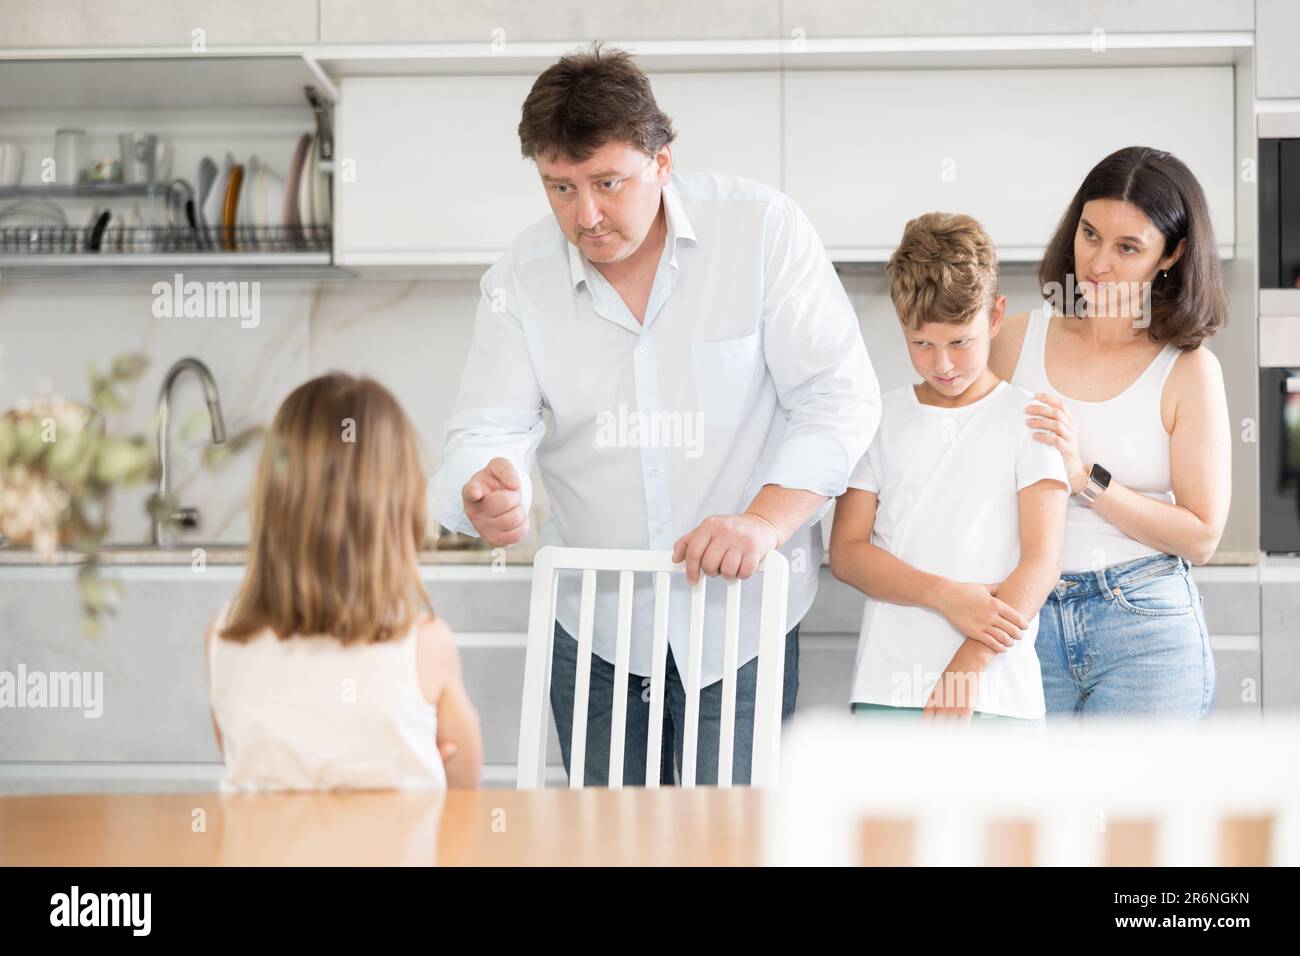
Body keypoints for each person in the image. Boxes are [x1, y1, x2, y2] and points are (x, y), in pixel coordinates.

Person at [434, 44, 880, 784]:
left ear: (661, 161)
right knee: (606, 849)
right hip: (595, 631)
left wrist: (765, 521)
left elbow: (839, 398)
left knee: (734, 848)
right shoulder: (520, 278)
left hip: (741, 624)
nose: (587, 215)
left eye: (608, 182)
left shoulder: (762, 231)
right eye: (559, 188)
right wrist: (483, 485)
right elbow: (485, 431)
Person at [990, 146, 1230, 719]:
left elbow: (1200, 536)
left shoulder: (1188, 371)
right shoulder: (1011, 340)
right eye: (1090, 234)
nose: (1097, 264)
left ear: (1171, 255)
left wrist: (1083, 479)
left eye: (1128, 248)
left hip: (1145, 627)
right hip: (1021, 618)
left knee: (1130, 810)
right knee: (1024, 807)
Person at [831, 213, 1069, 727]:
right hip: (888, 689)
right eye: (922, 344)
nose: (942, 365)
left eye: (960, 342)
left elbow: (1042, 562)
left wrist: (970, 662)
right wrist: (945, 596)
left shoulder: (1030, 420)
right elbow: (847, 553)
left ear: (996, 316)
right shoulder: (878, 418)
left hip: (997, 692)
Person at [206, 373, 482, 790]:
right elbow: (464, 794)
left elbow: (246, 756)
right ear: (399, 509)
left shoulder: (224, 637)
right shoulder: (425, 645)